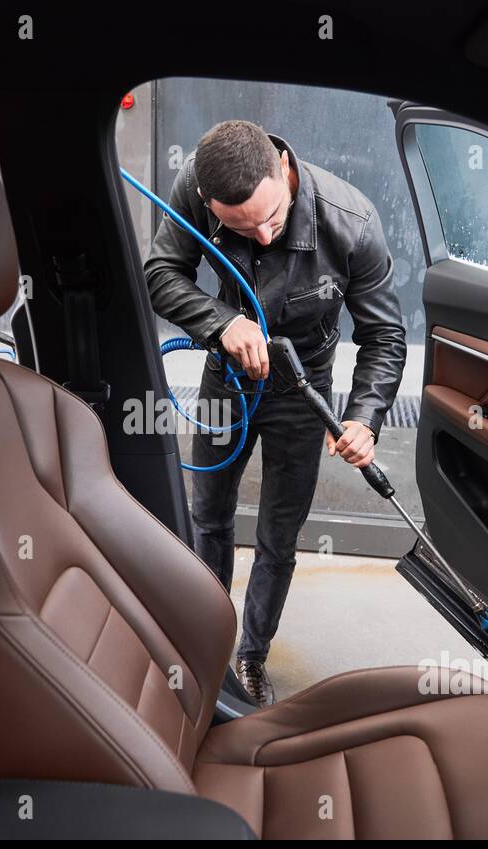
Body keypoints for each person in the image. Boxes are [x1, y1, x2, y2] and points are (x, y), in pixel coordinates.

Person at [144, 120, 406, 705]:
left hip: (303, 386)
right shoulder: (194, 186)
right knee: (206, 517)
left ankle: (253, 656)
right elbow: (161, 274)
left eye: (273, 219)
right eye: (241, 228)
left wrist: (364, 417)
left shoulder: (353, 222)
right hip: (227, 374)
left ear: (283, 172)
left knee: (277, 536)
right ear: (210, 203)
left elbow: (386, 335)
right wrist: (222, 322)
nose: (261, 237)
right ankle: (204, 645)